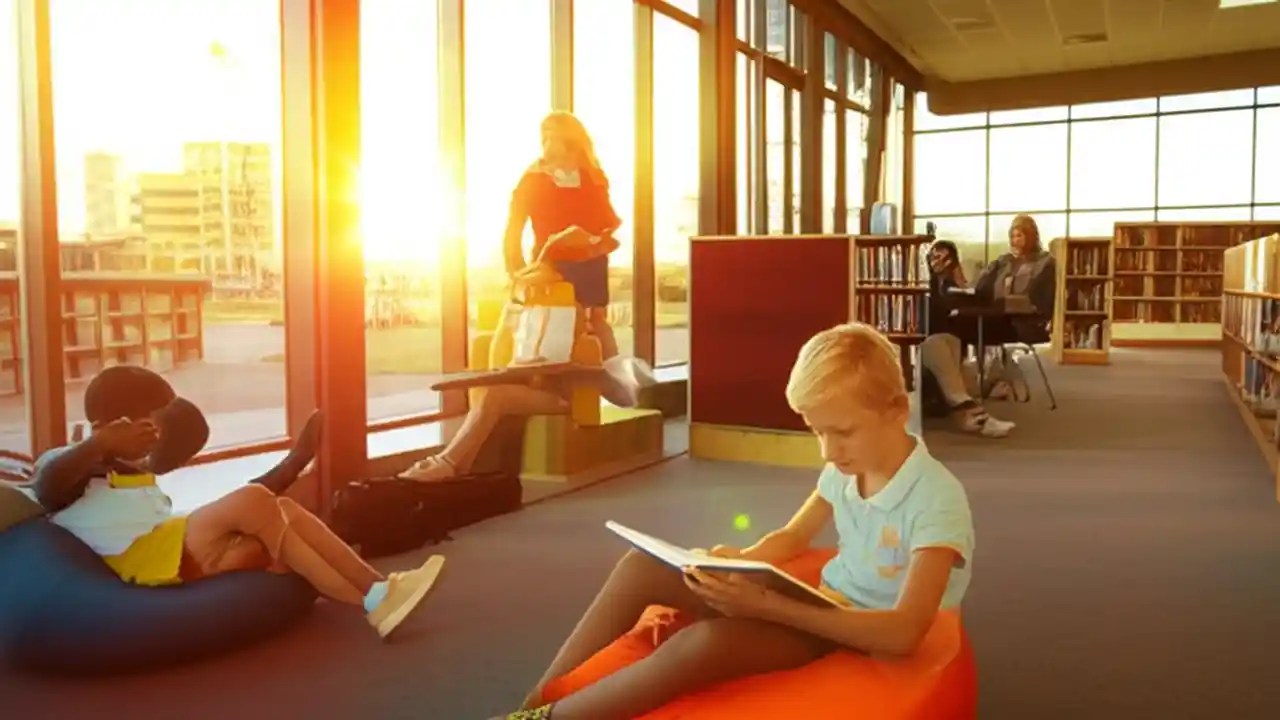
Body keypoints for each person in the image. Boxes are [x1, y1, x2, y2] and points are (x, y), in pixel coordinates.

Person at [498, 323, 975, 720]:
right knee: (640, 566)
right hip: (816, 600)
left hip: (844, 632)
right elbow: (794, 534)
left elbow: (903, 633)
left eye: (843, 432)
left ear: (896, 410)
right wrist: (741, 563)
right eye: (817, 432)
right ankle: (534, 701)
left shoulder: (936, 500)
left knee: (704, 644)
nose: (828, 451)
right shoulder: (845, 469)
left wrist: (771, 607)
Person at [31, 365, 443, 640]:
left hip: (173, 550)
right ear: (109, 426)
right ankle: (370, 604)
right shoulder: (77, 469)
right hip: (149, 561)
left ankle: (380, 587)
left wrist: (297, 461)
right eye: (145, 426)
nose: (154, 437)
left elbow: (252, 501)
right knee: (252, 501)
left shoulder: (137, 474)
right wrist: (99, 443)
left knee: (282, 510)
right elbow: (47, 484)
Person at [397, 111, 652, 483]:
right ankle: (454, 463)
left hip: (589, 265)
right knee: (549, 331)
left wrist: (593, 244)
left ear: (573, 142)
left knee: (593, 327)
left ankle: (617, 383)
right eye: (544, 136)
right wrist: (517, 273)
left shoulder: (593, 178)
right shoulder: (532, 179)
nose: (548, 144)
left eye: (555, 137)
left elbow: (607, 225)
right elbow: (513, 231)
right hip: (548, 266)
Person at [920, 240, 1015, 438]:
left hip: (935, 342)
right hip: (913, 347)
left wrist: (957, 281)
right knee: (936, 344)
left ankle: (969, 409)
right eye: (935, 258)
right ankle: (974, 414)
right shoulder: (925, 288)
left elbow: (943, 314)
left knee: (948, 340)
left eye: (946, 259)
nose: (940, 263)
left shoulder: (941, 287)